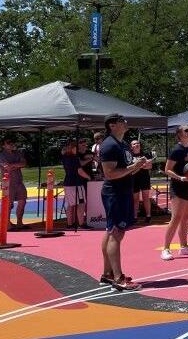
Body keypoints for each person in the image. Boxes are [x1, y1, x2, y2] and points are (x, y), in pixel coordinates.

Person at [98, 114, 150, 291]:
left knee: (111, 231)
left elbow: (125, 170)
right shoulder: (109, 145)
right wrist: (133, 167)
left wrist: (137, 166)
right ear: (112, 125)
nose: (125, 123)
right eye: (121, 121)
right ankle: (118, 278)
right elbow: (110, 174)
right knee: (116, 233)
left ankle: (108, 273)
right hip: (115, 193)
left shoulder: (123, 144)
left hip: (122, 191)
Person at [162, 124, 188, 261]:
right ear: (179, 134)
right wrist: (180, 177)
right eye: (186, 130)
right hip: (178, 187)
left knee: (185, 218)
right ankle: (166, 248)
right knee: (176, 218)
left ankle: (184, 246)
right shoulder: (176, 150)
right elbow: (167, 169)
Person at [0, 138, 28, 230]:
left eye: (12, 142)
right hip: (8, 183)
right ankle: (7, 224)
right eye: (8, 143)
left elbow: (24, 163)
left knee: (22, 201)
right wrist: (17, 165)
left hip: (19, 182)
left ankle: (19, 223)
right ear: (3, 146)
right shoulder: (1, 156)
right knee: (8, 204)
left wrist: (12, 165)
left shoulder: (18, 153)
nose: (11, 144)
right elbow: (7, 167)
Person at [60, 139, 90, 229]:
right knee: (81, 203)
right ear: (73, 148)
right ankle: (81, 223)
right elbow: (80, 171)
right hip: (76, 183)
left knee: (70, 204)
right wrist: (88, 177)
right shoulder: (74, 158)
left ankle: (69, 223)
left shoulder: (65, 157)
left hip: (67, 182)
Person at [130, 140, 155, 224]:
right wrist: (140, 166)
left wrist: (142, 166)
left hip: (144, 178)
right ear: (131, 147)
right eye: (134, 144)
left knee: (146, 197)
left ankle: (148, 216)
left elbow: (150, 166)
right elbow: (130, 168)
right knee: (135, 199)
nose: (136, 145)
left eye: (138, 143)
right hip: (134, 179)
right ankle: (134, 216)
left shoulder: (146, 154)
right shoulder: (130, 156)